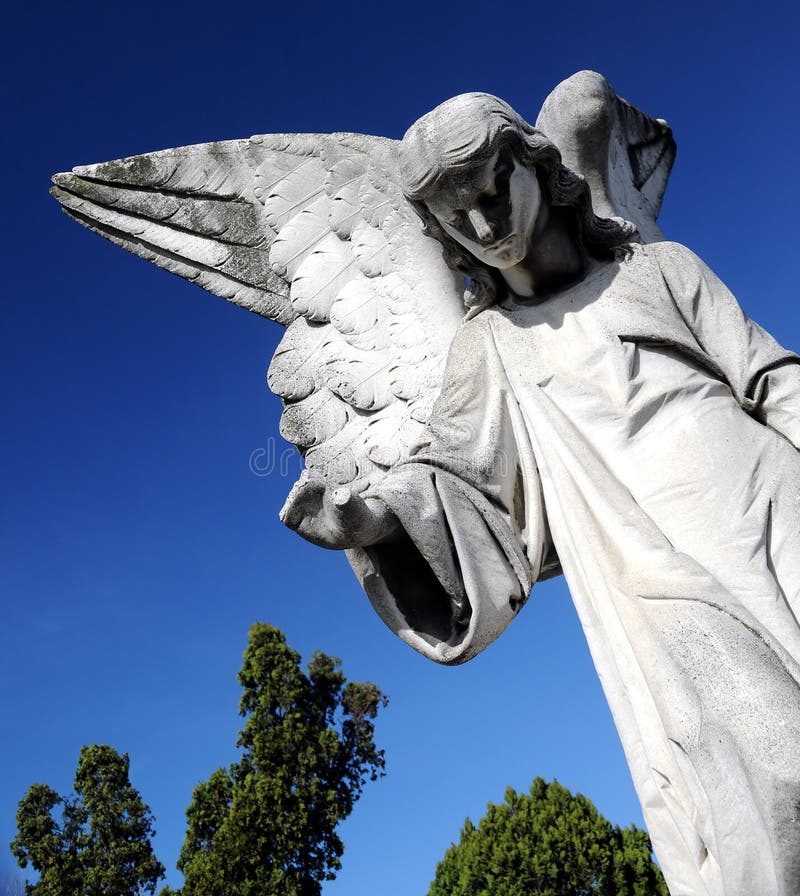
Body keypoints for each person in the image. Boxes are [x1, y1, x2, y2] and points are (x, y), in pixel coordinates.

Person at [282, 93, 800, 896]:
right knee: (777, 770)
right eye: (459, 220)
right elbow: (459, 484)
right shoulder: (491, 347)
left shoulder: (660, 269)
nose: (485, 225)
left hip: (772, 497)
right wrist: (376, 520)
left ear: (538, 166)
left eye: (493, 190)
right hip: (650, 563)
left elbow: (770, 377)